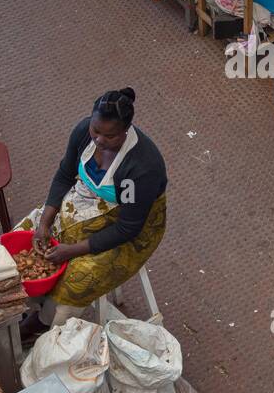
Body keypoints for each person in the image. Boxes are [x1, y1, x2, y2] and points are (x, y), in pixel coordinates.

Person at [27, 88, 168, 320]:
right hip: (86, 200)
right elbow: (65, 175)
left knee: (77, 278)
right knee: (29, 236)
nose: (99, 140)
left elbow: (128, 228)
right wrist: (44, 223)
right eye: (96, 130)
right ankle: (32, 305)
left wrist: (71, 251)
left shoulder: (140, 168)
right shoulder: (84, 132)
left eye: (110, 136)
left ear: (126, 130)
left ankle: (43, 323)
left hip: (133, 229)